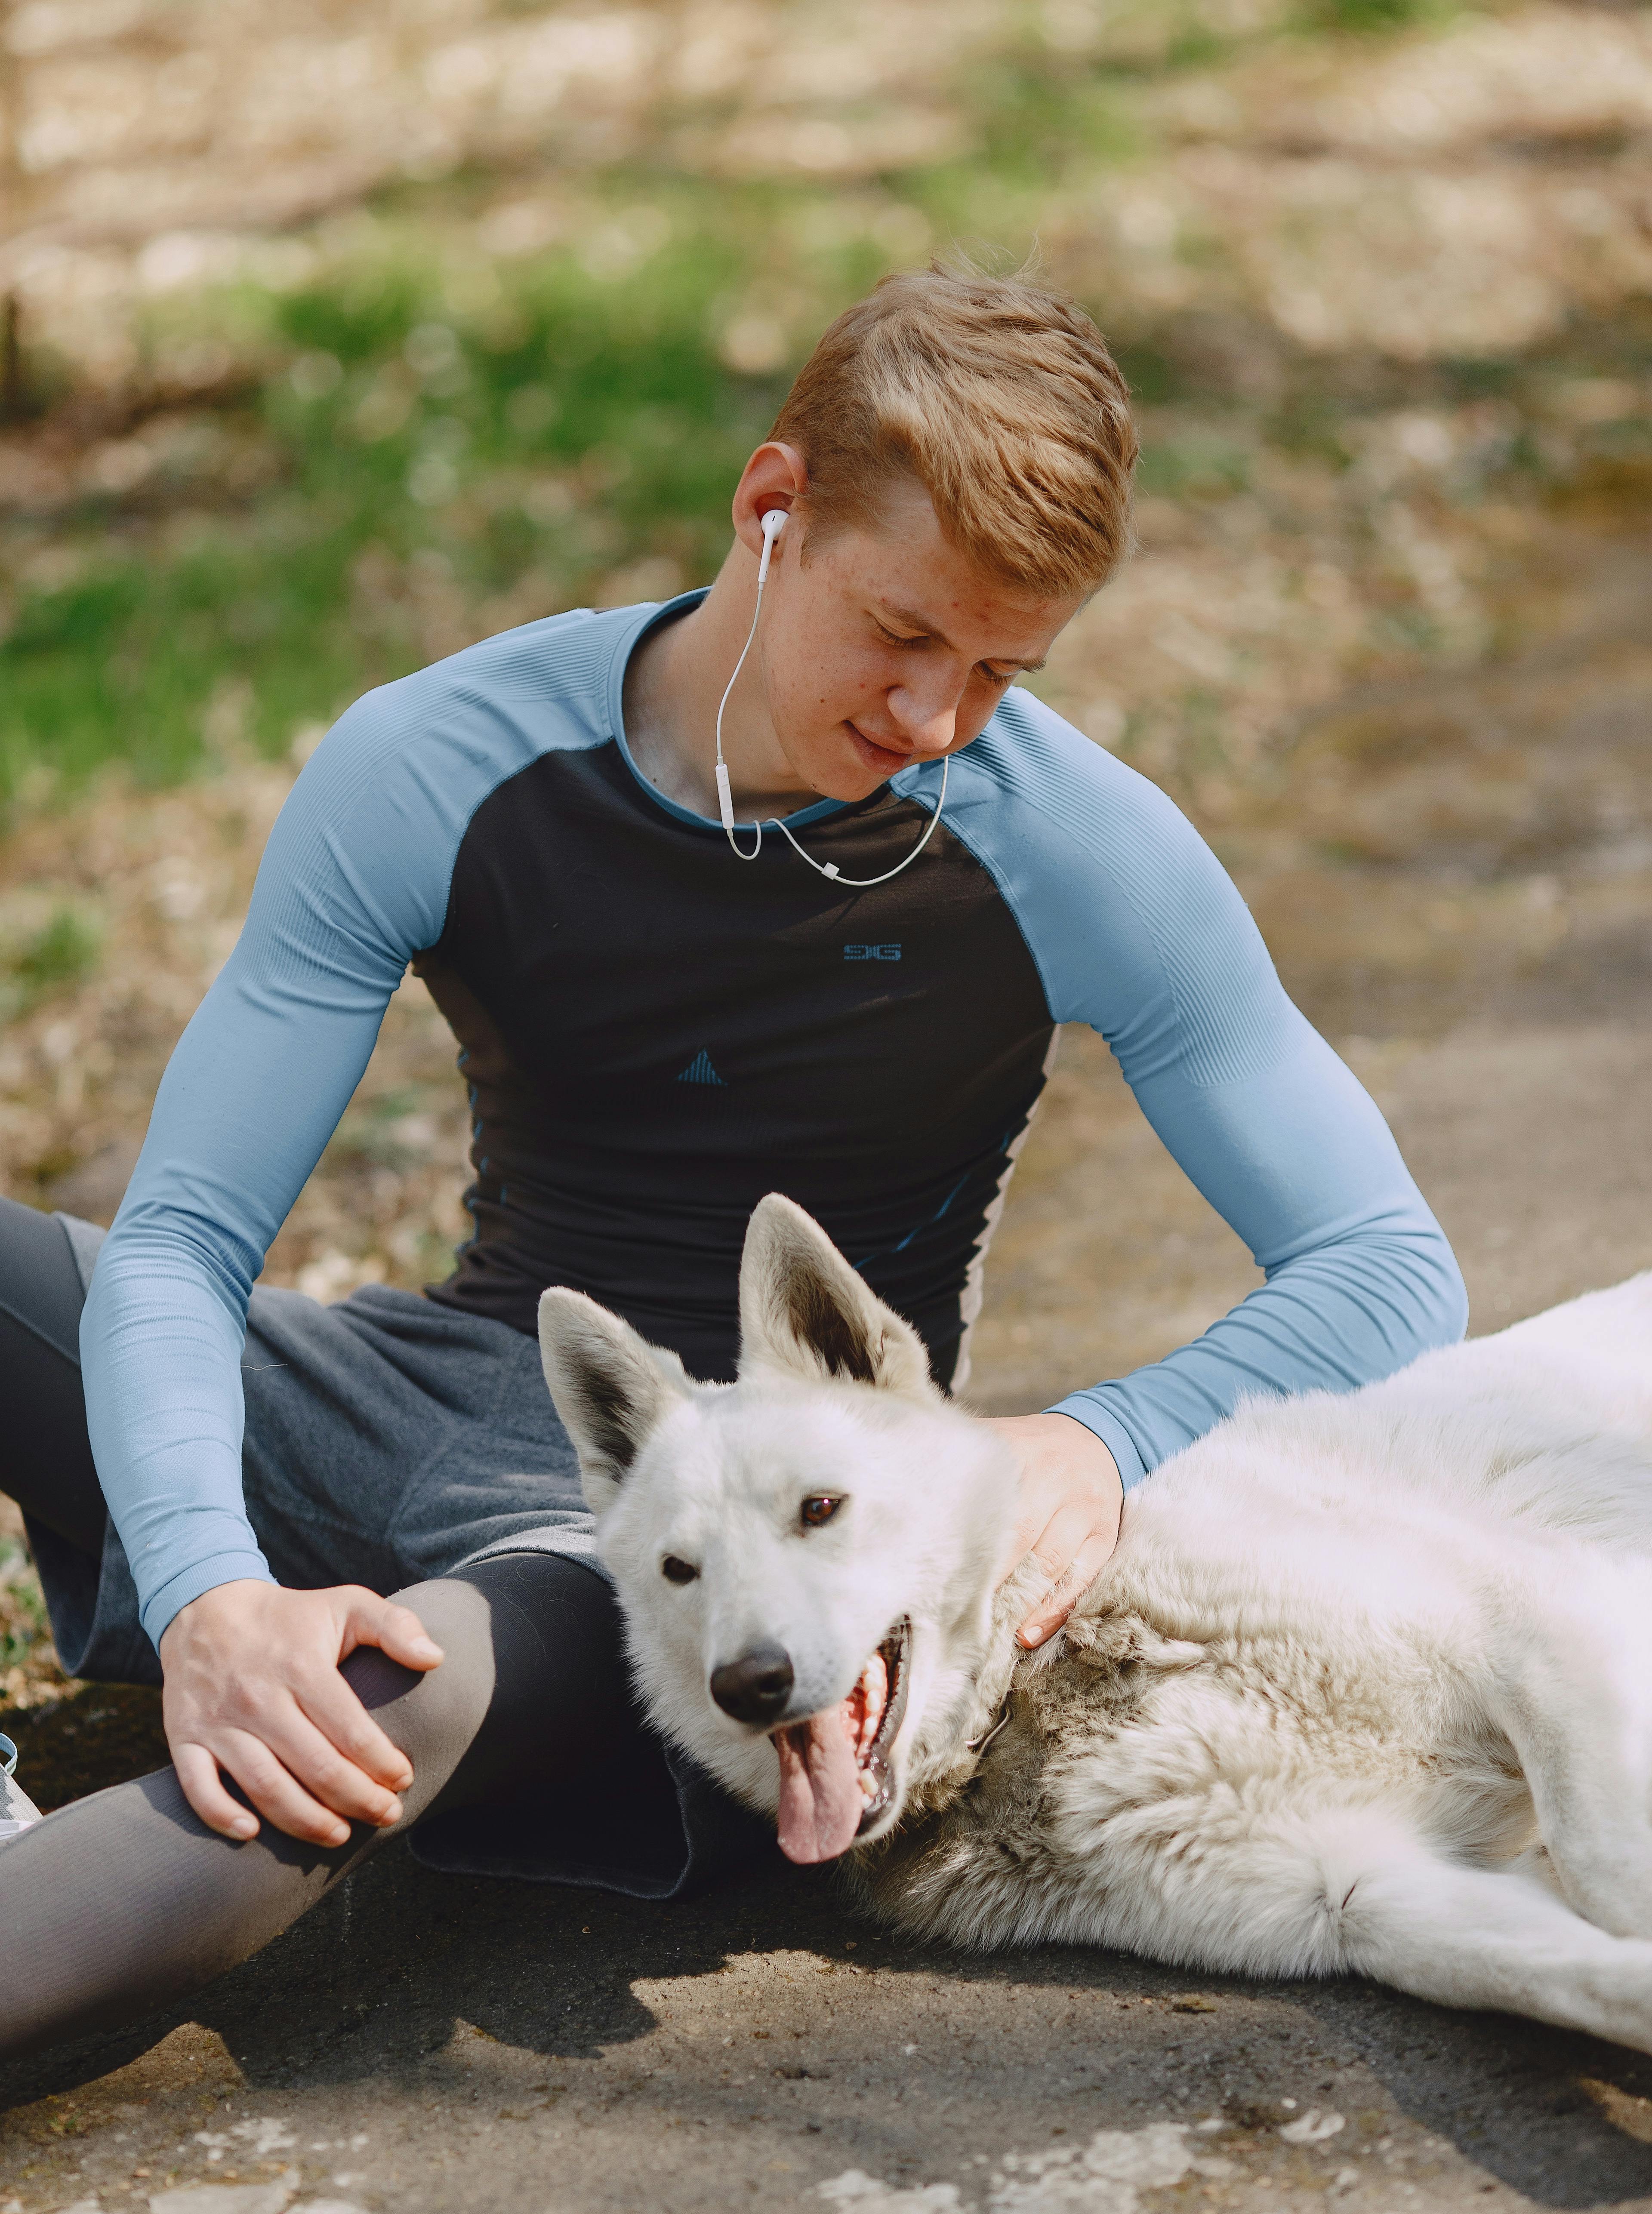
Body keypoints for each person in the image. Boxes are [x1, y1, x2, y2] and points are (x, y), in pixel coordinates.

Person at [0, 265, 1466, 2060]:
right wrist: (215, 1588)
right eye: (904, 634)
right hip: (425, 1382)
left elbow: (1388, 1268)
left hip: (697, 1540)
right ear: (772, 510)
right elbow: (183, 1245)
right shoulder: (439, 763)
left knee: (325, 1744)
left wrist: (1091, 1441)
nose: (938, 718)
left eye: (1004, 670)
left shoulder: (1074, 849)